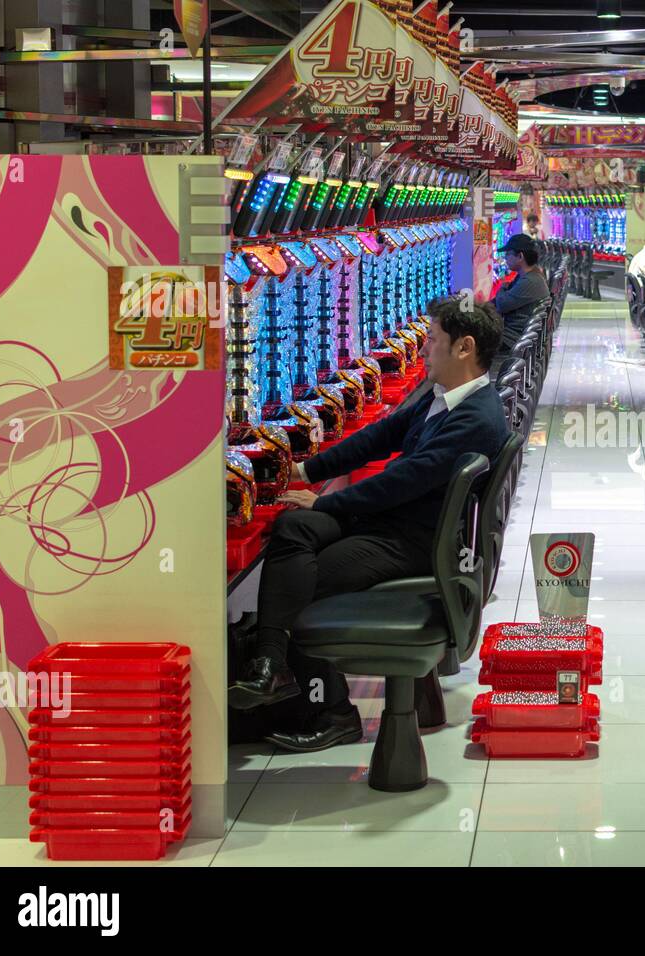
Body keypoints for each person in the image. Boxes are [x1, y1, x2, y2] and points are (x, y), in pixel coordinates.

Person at [229, 297, 510, 752]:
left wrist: (326, 504)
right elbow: (382, 435)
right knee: (293, 529)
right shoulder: (448, 398)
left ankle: (333, 711)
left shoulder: (475, 418)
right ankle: (270, 663)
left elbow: (399, 483)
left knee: (307, 579)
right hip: (394, 524)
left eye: (432, 340)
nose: (422, 351)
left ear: (465, 348)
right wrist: (308, 471)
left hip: (415, 541)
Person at [491, 233, 551, 370]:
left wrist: (501, 288)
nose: (505, 258)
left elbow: (501, 305)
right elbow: (500, 301)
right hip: (517, 336)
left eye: (508, 254)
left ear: (520, 256)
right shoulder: (527, 276)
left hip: (513, 340)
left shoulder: (530, 281)